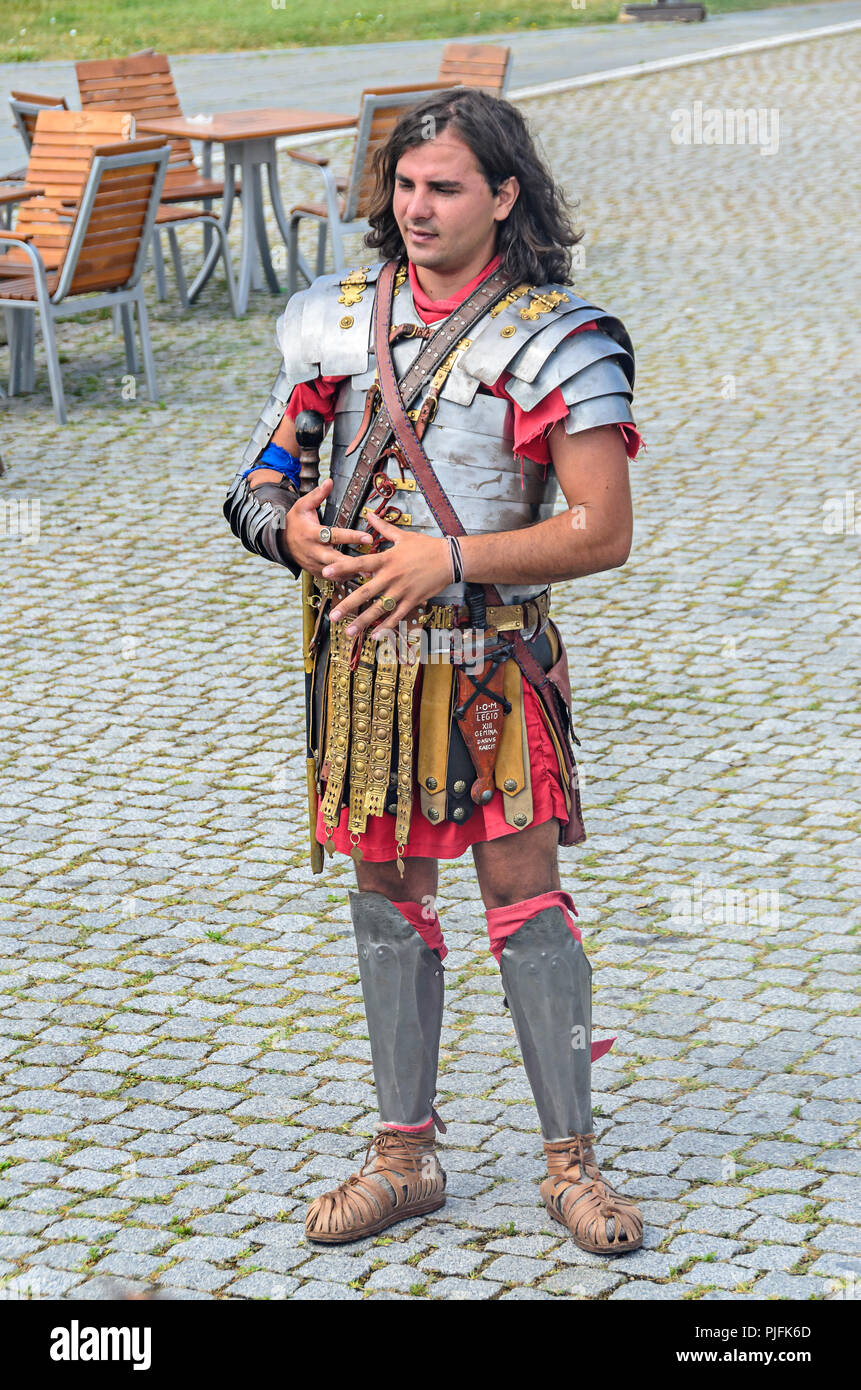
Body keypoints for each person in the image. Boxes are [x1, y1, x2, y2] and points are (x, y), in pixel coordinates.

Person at [224, 88, 644, 1255]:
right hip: (363, 673)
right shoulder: (331, 320)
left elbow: (601, 528)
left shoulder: (558, 335)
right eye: (405, 185)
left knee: (529, 902)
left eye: (445, 186)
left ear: (504, 197)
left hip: (487, 663)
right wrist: (289, 532)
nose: (416, 207)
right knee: (388, 906)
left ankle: (573, 1164)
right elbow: (257, 479)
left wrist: (448, 558)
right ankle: (404, 1156)